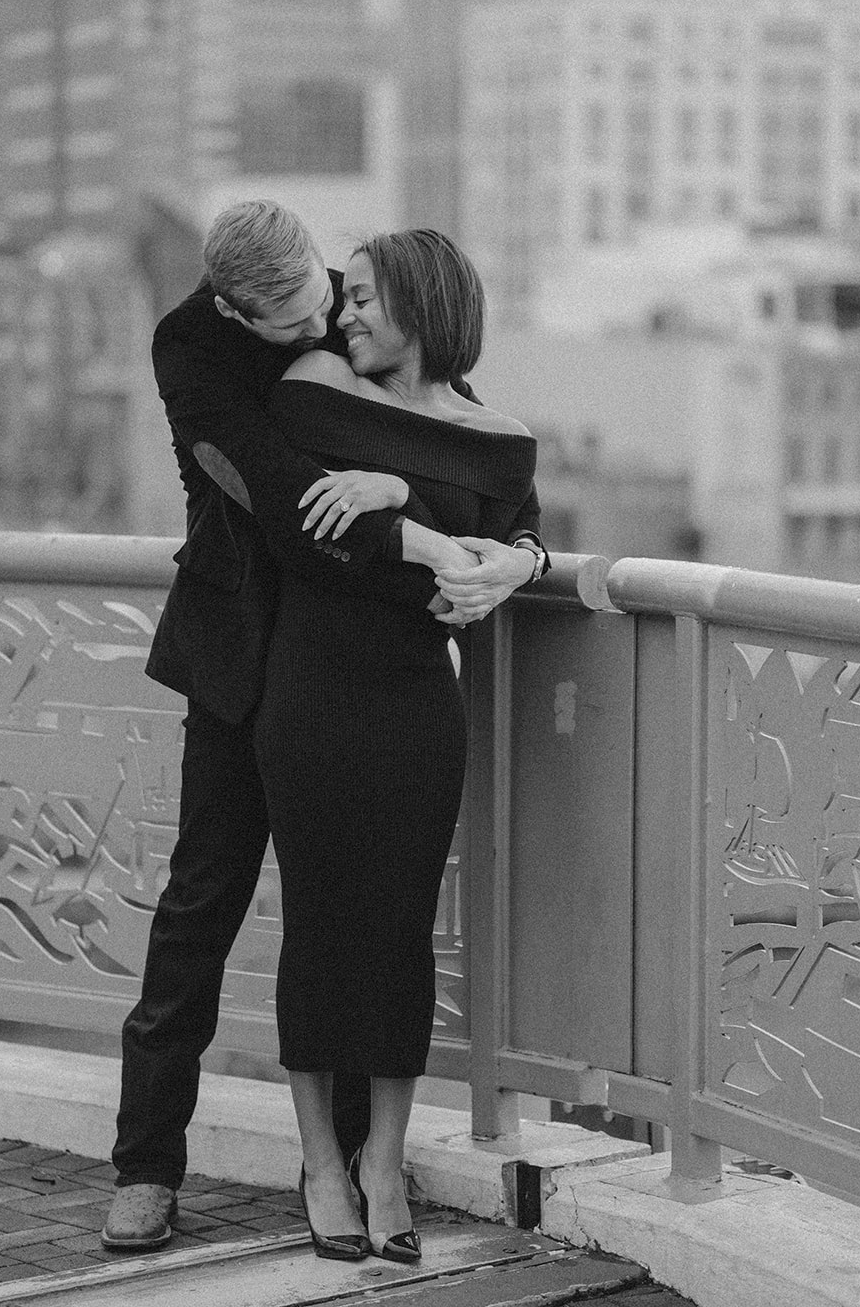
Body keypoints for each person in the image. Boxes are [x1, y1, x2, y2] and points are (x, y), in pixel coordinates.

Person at [103, 203, 545, 1251]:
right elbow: (282, 492)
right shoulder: (194, 349)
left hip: (358, 662)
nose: (328, 321)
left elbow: (466, 452)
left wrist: (517, 554)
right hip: (242, 652)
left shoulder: (345, 330)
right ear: (239, 310)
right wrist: (430, 542)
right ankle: (146, 1167)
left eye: (335, 295)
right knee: (200, 908)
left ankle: (355, 1164)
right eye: (302, 310)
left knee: (363, 914)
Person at [244, 228, 547, 1263]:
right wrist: (401, 506)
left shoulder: (496, 437)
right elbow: (302, 528)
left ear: (423, 302)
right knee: (320, 923)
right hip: (309, 687)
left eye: (366, 297)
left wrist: (514, 557)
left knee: (398, 931)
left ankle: (383, 1158)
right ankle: (320, 1162)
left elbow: (516, 531)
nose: (347, 314)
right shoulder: (312, 389)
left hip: (419, 703)